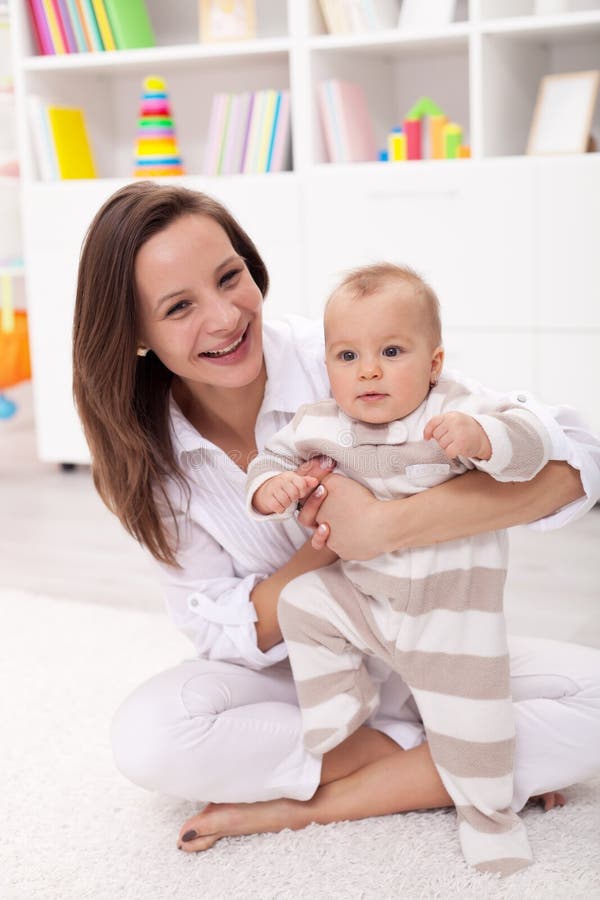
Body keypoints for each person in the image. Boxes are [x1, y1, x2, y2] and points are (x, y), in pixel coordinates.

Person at [72, 181, 600, 861]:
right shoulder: (147, 455)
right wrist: (325, 548)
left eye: (230, 277)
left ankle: (311, 805)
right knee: (150, 737)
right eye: (179, 307)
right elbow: (219, 629)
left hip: (429, 641)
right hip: (301, 681)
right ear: (136, 336)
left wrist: (385, 526)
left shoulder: (351, 356)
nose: (226, 317)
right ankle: (462, 764)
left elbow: (577, 459)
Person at [246, 263, 557, 874]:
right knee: (301, 602)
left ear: (434, 362)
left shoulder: (456, 410)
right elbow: (268, 459)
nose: (368, 370)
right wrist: (272, 489)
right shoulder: (319, 424)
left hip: (451, 617)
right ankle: (340, 700)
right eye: (346, 354)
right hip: (368, 600)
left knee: (478, 725)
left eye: (391, 351)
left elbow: (535, 441)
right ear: (327, 364)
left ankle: (489, 816)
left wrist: (485, 438)